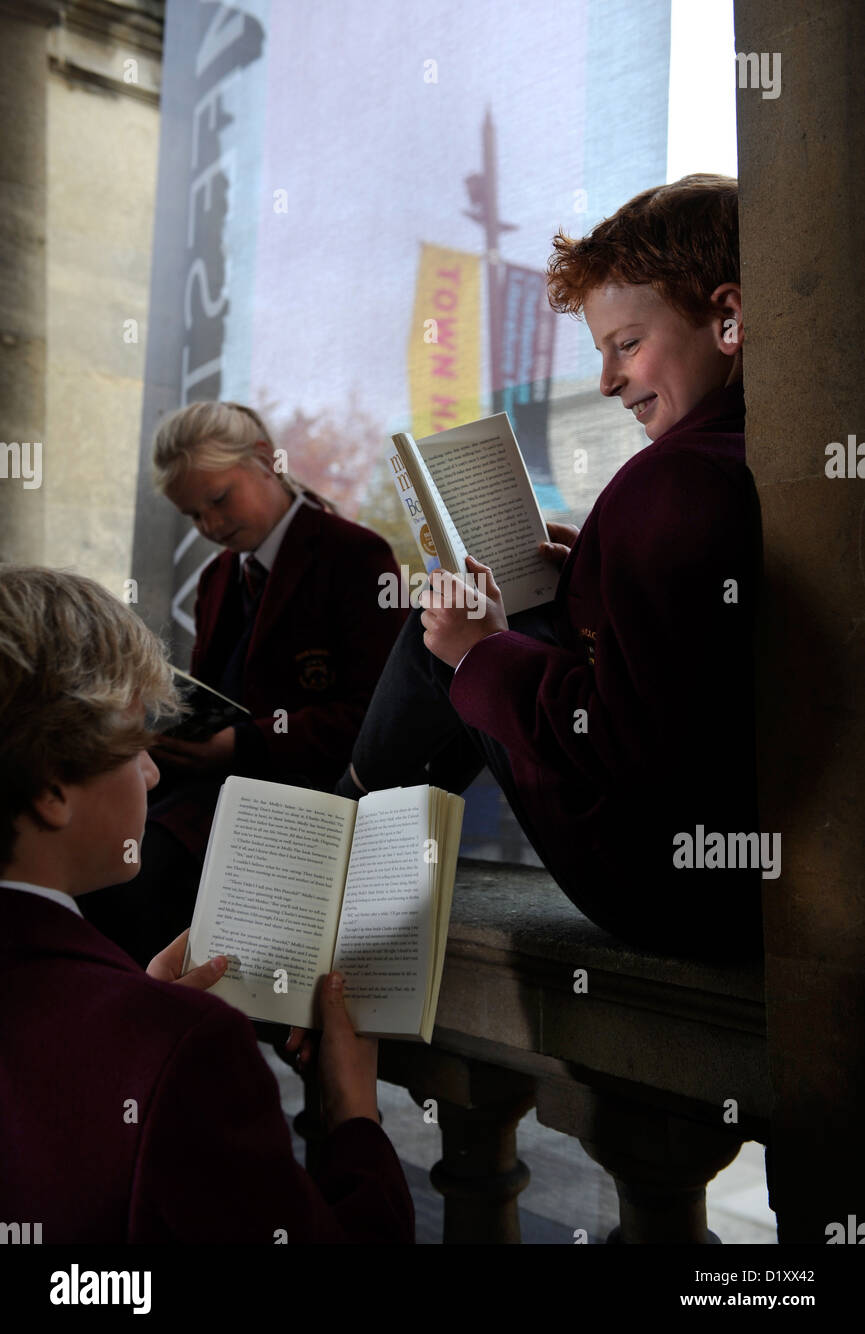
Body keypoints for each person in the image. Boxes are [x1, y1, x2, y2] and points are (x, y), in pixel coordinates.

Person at [335, 174, 763, 958]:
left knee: (443, 633)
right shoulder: (757, 453)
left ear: (728, 318)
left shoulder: (675, 478)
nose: (606, 383)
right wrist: (589, 584)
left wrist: (477, 653)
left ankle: (326, 853)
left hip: (659, 883)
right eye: (601, 353)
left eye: (627, 345)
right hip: (737, 875)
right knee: (503, 608)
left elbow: (634, 748)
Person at [0, 565, 414, 1243]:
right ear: (52, 788)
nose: (153, 772)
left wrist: (132, 1014)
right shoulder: (189, 1045)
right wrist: (354, 1116)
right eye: (135, 746)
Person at [81, 401, 406, 964]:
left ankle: (155, 1021)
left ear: (263, 460)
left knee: (138, 872)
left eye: (217, 500)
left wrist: (245, 743)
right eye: (192, 515)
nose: (209, 525)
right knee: (97, 847)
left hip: (302, 796)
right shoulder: (217, 578)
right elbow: (209, 698)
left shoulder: (354, 555)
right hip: (216, 787)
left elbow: (380, 718)